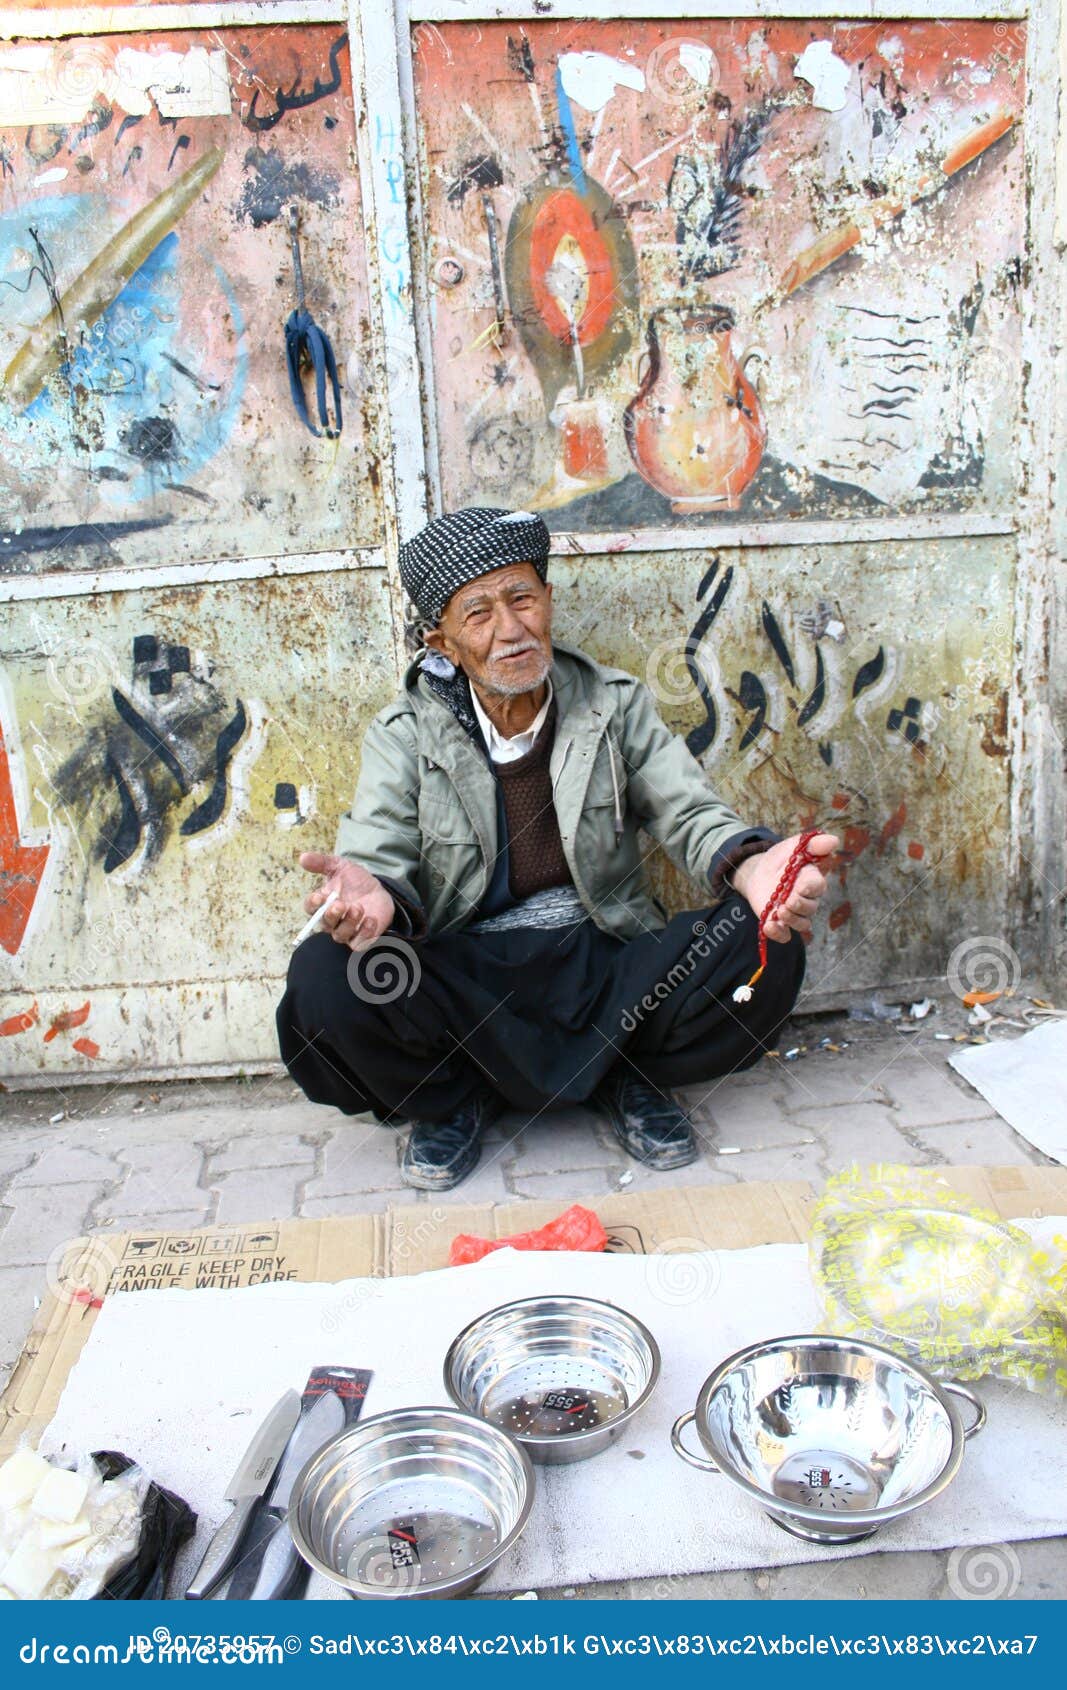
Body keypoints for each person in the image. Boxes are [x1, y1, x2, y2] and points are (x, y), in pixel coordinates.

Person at [278, 507, 837, 1190]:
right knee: (323, 982)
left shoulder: (613, 703)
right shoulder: (403, 732)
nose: (510, 630)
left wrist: (753, 867)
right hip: (469, 971)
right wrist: (375, 898)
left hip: (604, 961)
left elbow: (688, 813)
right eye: (478, 613)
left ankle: (629, 1077)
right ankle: (454, 1098)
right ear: (442, 641)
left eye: (521, 599)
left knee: (766, 939)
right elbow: (380, 847)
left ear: (546, 602)